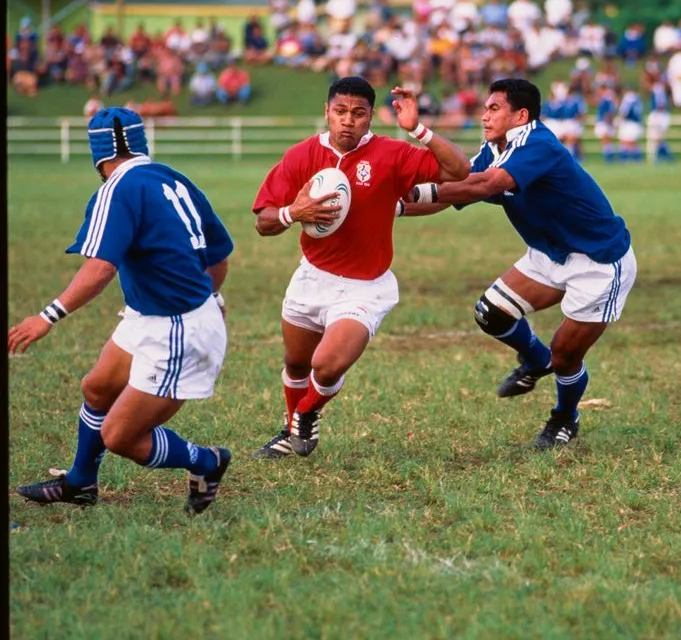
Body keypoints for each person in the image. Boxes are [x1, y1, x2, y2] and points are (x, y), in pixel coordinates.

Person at [10, 108, 235, 514]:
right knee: (97, 387)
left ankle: (208, 461)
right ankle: (80, 483)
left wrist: (46, 317)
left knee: (122, 436)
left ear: (97, 155)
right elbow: (218, 257)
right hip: (152, 314)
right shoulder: (172, 177)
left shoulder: (117, 188)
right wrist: (209, 298)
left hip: (176, 329)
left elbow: (100, 268)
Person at [400, 78, 637, 450]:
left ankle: (565, 417)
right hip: (549, 254)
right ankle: (535, 359)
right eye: (485, 108)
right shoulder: (495, 148)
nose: (484, 115)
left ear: (521, 115)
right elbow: (456, 190)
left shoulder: (536, 143)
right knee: (490, 314)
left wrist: (419, 189)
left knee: (566, 355)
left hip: (598, 261)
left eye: (494, 108)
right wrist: (391, 208)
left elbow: (484, 186)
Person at [249, 76, 471, 460]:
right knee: (296, 362)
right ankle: (291, 432)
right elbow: (264, 222)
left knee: (326, 365)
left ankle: (305, 414)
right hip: (312, 276)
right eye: (340, 112)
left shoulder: (392, 154)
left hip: (364, 286)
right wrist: (293, 212)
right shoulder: (301, 155)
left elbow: (459, 171)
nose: (347, 121)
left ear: (370, 117)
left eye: (358, 113)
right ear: (327, 113)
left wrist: (417, 128)